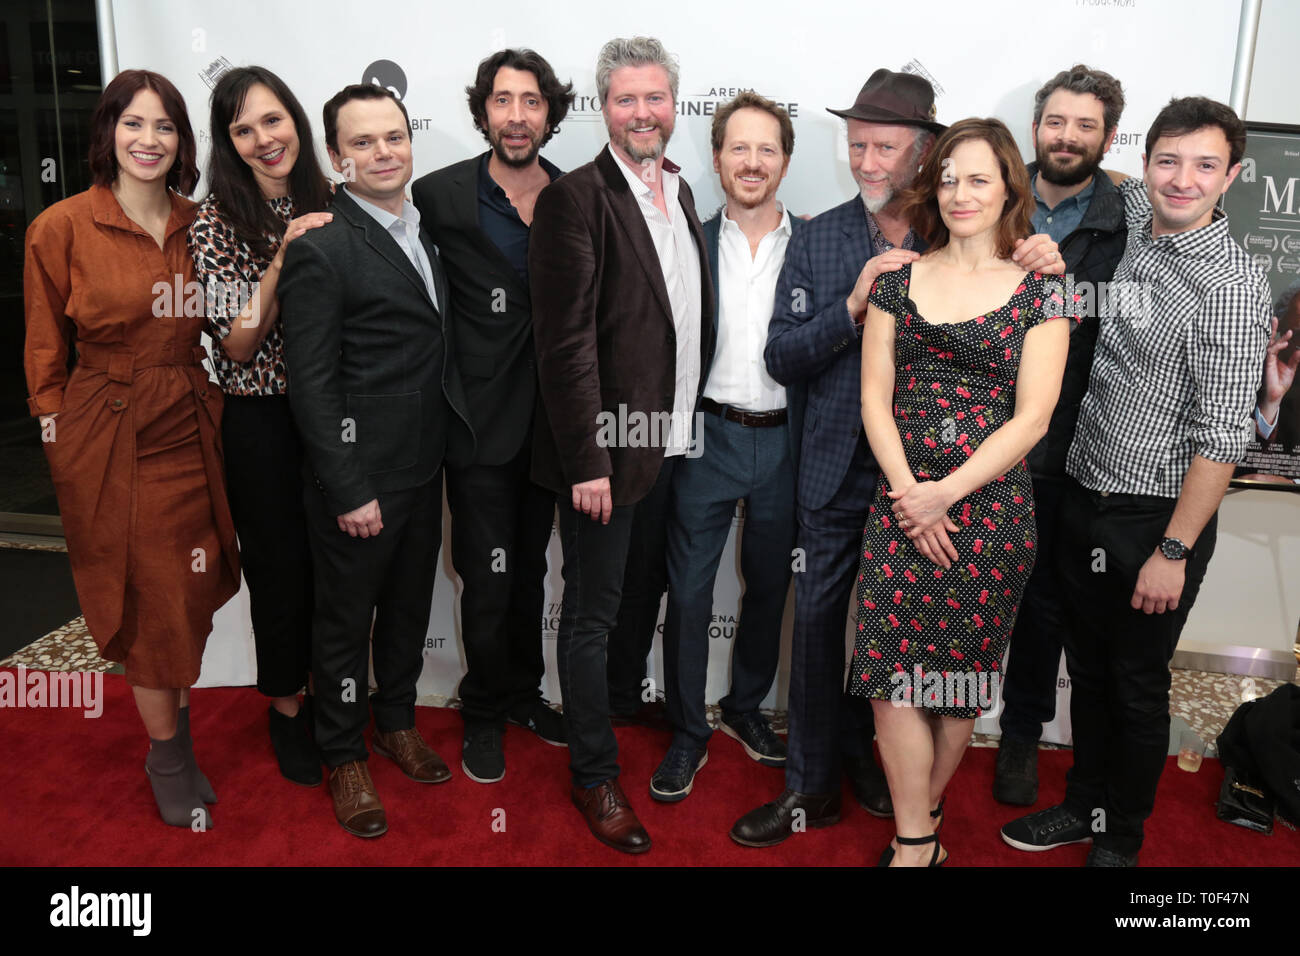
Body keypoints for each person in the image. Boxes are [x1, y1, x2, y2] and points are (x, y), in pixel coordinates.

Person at [731, 70, 1062, 849]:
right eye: (855, 145)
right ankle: (810, 789)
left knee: (920, 665)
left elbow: (1034, 383)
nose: (867, 160)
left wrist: (1042, 253)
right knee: (817, 636)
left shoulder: (992, 244)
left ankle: (890, 783)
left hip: (948, 491)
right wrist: (850, 306)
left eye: (884, 146)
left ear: (923, 153)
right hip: (840, 472)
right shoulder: (817, 236)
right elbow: (781, 357)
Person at [1001, 96, 1271, 866]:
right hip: (1085, 495)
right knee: (1085, 672)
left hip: (1156, 522)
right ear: (1146, 164)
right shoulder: (1139, 228)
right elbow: (1085, 171)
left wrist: (1176, 550)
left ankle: (1121, 838)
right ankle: (1082, 808)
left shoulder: (1232, 286)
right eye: (1168, 161)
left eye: (1204, 166)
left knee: (1136, 687)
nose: (1182, 180)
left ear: (1233, 176)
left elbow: (1224, 439)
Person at [851, 117, 1072, 866]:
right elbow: (874, 400)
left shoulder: (1043, 290)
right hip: (901, 504)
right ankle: (916, 841)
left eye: (978, 178)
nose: (959, 193)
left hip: (987, 512)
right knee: (890, 679)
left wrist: (945, 492)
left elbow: (1034, 417)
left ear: (1010, 185)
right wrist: (911, 492)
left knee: (953, 686)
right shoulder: (896, 280)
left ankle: (925, 810)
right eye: (947, 177)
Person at [23, 69, 239, 828]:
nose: (149, 140)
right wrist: (58, 436)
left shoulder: (200, 222)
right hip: (108, 436)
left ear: (182, 141)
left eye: (165, 127)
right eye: (133, 124)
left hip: (191, 423)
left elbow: (232, 327)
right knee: (149, 605)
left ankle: (171, 739)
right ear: (108, 133)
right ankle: (169, 755)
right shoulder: (61, 227)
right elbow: (44, 356)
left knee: (186, 598)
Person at [529, 36, 714, 853]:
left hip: (673, 445)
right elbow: (563, 345)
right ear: (603, 109)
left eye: (655, 98)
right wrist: (587, 463)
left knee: (641, 598)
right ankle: (594, 776)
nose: (643, 113)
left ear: (675, 104)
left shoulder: (683, 192)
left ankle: (618, 706)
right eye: (626, 99)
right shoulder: (576, 198)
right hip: (606, 454)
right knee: (592, 616)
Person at [278, 84, 475, 838]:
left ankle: (394, 722)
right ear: (336, 157)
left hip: (426, 470)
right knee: (341, 624)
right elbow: (313, 383)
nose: (383, 152)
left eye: (393, 136)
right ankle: (341, 752)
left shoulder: (423, 233)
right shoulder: (323, 247)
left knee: (406, 609)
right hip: (358, 481)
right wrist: (346, 484)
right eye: (363, 143)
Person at [410, 49, 570, 783]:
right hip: (476, 427)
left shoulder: (574, 196)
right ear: (483, 112)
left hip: (552, 430)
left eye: (530, 101)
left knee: (531, 568)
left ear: (549, 113)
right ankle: (481, 711)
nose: (516, 116)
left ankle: (522, 694)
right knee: (486, 574)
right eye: (502, 101)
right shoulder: (439, 195)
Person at [653, 92, 802, 801]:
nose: (751, 162)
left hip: (786, 443)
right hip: (704, 438)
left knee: (771, 588)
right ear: (716, 159)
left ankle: (745, 708)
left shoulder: (816, 246)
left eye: (766, 148)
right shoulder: (685, 241)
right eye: (738, 148)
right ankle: (688, 730)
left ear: (785, 160)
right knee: (687, 592)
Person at [189, 65, 334, 787]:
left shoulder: (337, 200)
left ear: (297, 122)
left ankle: (337, 695)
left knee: (336, 565)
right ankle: (285, 709)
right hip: (261, 420)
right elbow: (239, 344)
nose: (262, 139)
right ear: (228, 142)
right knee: (278, 570)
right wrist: (286, 252)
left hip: (333, 414)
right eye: (242, 129)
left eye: (272, 120)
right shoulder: (212, 220)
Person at [993, 64, 1128, 806]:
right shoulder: (995, 194)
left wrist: (1061, 292)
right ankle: (938, 718)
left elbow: (1121, 315)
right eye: (1057, 122)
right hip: (972, 431)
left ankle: (1020, 734)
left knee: (1042, 602)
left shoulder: (1125, 216)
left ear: (1108, 137)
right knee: (963, 584)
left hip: (1062, 442)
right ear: (1037, 126)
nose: (1068, 137)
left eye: (1086, 126)